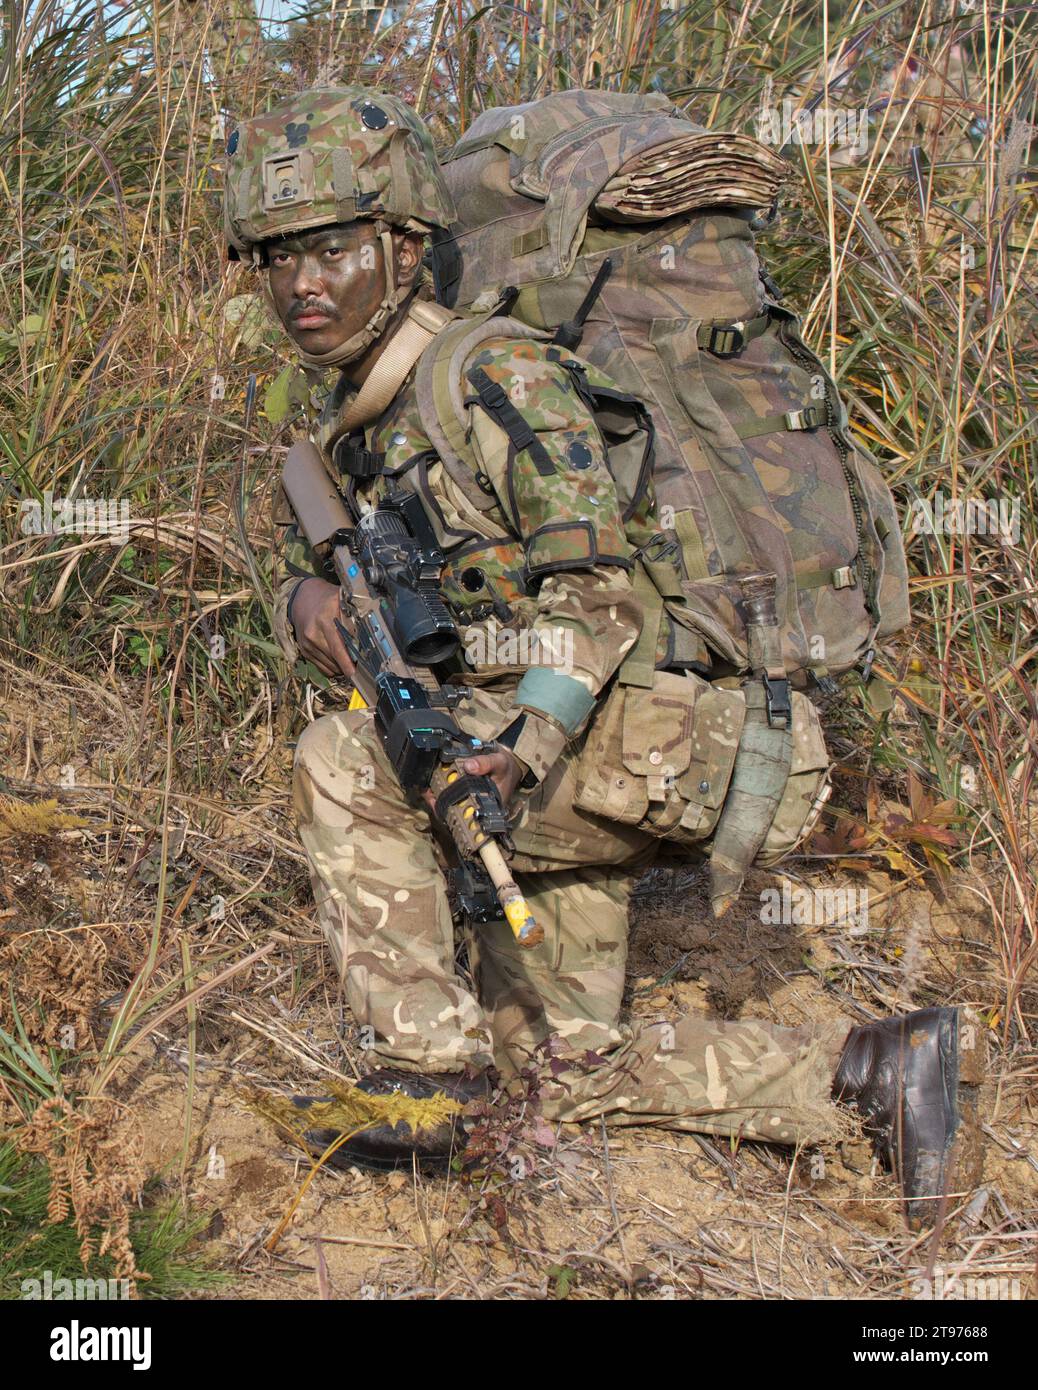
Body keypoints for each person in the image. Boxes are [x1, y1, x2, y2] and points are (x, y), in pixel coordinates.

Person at [222, 85, 983, 1226]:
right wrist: (305, 602)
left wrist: (515, 751)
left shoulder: (495, 375)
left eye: (331, 249)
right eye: (275, 260)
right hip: (588, 745)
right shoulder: (375, 420)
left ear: (404, 245)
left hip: (652, 742)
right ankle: (866, 1072)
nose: (301, 285)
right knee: (547, 1070)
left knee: (344, 756)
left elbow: (600, 589)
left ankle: (420, 1078)